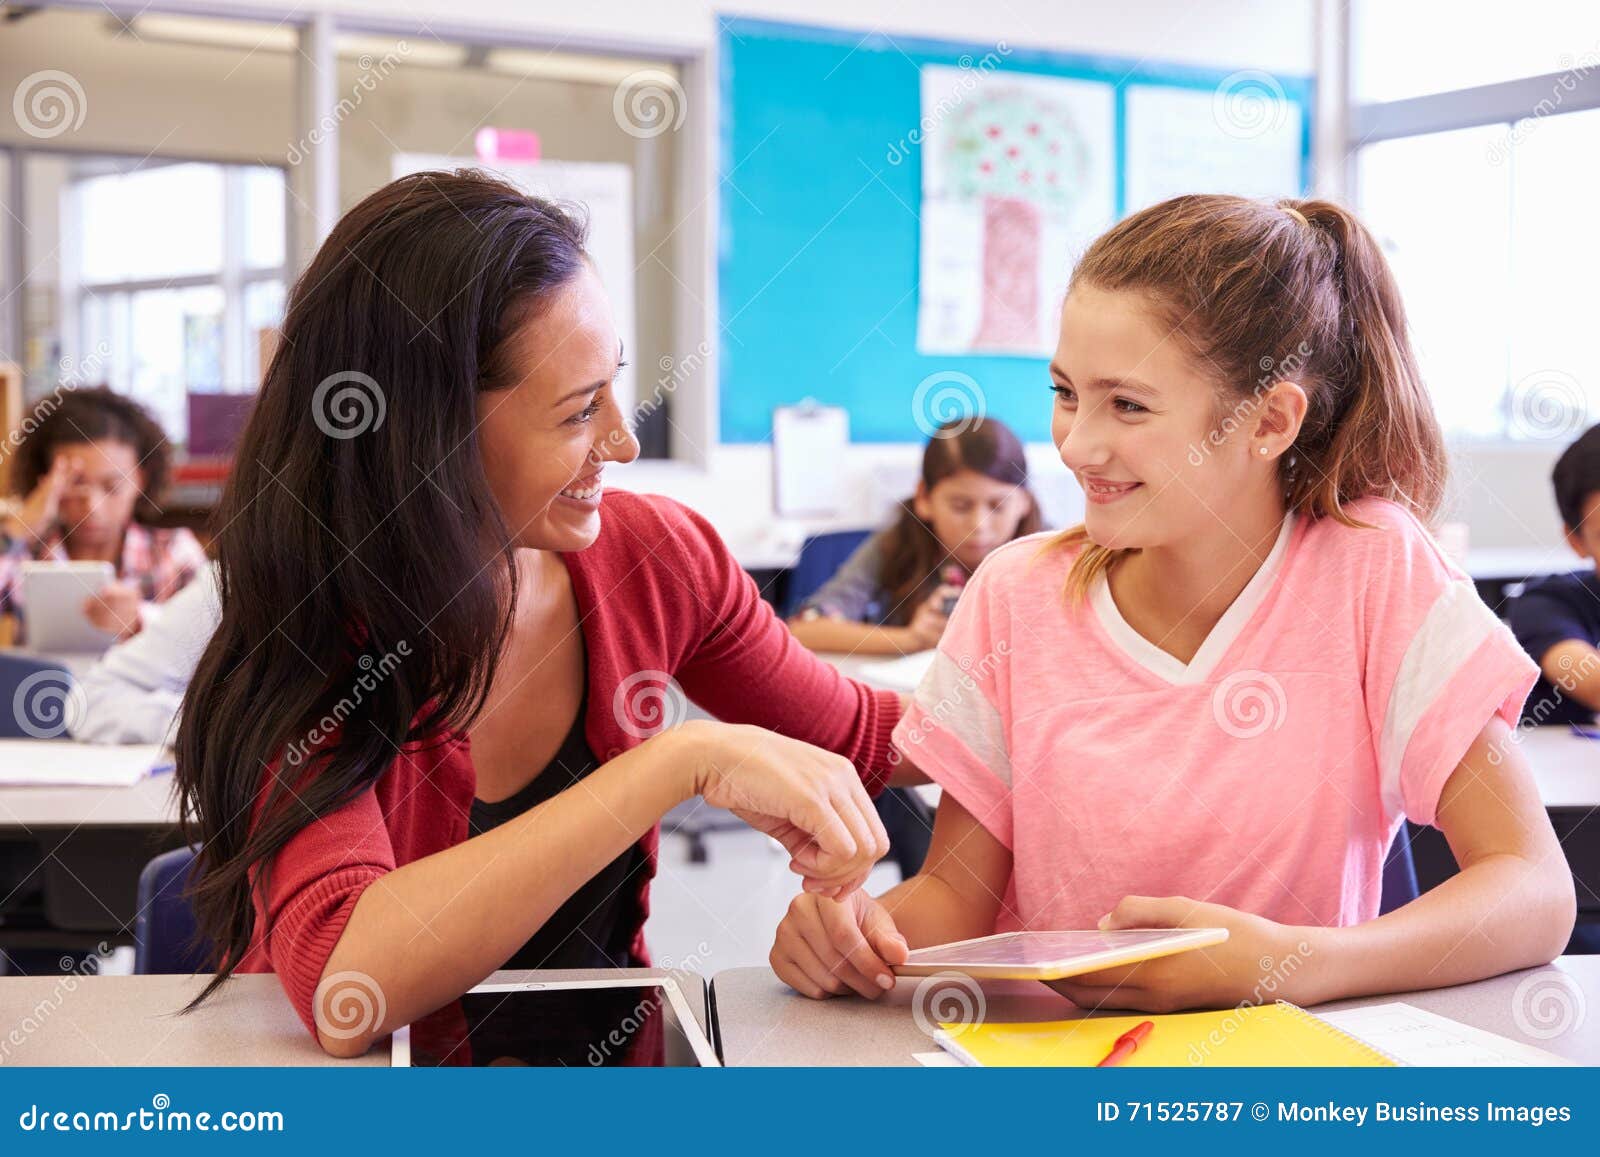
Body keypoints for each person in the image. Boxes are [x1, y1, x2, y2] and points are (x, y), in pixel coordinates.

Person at [174, 171, 916, 1061]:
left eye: (614, 388)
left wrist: (1098, 655)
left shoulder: (654, 557)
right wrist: (680, 761)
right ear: (430, 432)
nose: (624, 441)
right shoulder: (314, 627)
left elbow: (866, 737)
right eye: (576, 412)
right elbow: (347, 985)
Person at [769, 195, 1574, 1009]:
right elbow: (952, 899)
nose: (1077, 444)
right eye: (1066, 392)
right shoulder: (1014, 593)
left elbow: (1533, 889)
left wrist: (1289, 963)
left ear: (1268, 420)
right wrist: (848, 932)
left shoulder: (1375, 570)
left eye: (1128, 404)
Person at [1, 387, 206, 645]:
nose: (92, 508)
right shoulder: (25, 555)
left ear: (140, 479)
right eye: (75, 484)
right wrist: (20, 526)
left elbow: (212, 643)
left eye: (113, 487)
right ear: (46, 482)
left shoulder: (174, 553)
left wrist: (139, 619)